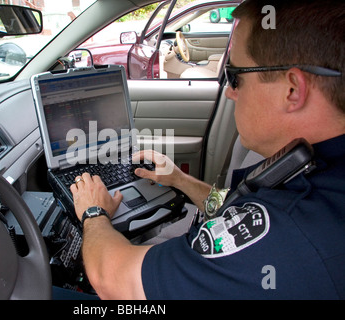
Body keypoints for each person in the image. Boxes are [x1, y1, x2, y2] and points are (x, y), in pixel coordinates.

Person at [70, 0, 345, 299]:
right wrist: (179, 180)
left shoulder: (285, 232)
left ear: (292, 90)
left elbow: (112, 282)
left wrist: (93, 212)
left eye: (235, 76)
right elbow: (235, 208)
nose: (229, 91)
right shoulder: (315, 168)